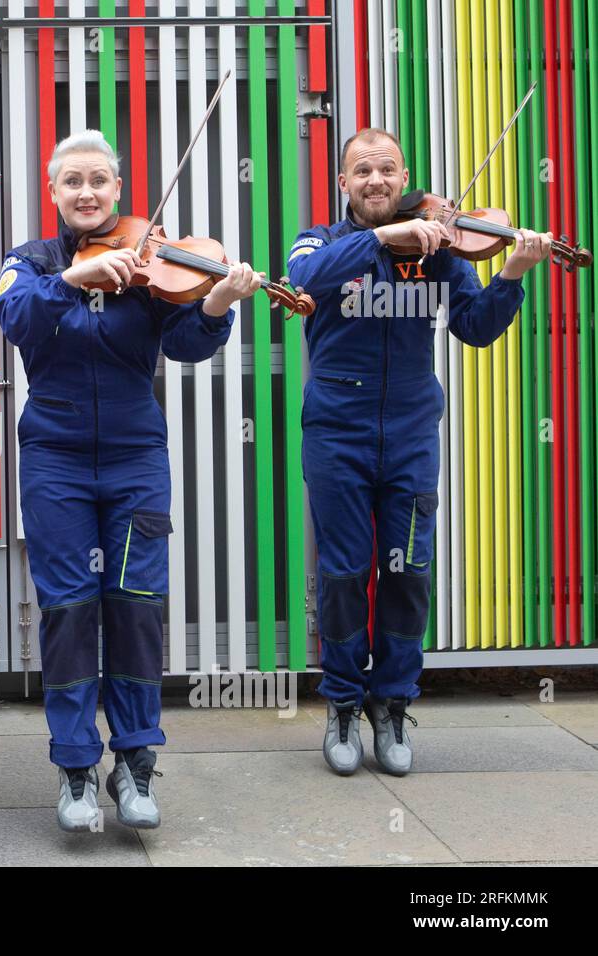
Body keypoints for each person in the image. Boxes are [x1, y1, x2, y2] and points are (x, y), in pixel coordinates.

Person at [0, 130, 261, 831]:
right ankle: (76, 769)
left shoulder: (150, 257)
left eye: (100, 180)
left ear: (118, 190)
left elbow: (187, 344)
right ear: (53, 193)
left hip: (136, 455)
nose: (87, 192)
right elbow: (16, 320)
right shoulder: (29, 261)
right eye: (72, 181)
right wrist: (78, 277)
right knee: (70, 611)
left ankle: (136, 763)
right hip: (54, 459)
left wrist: (216, 303)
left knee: (137, 607)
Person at [287, 128, 553, 776]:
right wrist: (380, 240)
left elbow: (478, 327)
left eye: (386, 169)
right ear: (343, 183)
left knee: (408, 575)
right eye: (362, 171)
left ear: (404, 179)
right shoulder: (320, 241)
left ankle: (393, 703)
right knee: (346, 575)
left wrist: (513, 271)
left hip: (408, 437)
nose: (375, 181)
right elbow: (301, 278)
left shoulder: (439, 251)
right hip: (336, 436)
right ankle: (344, 703)